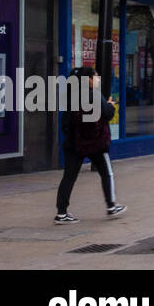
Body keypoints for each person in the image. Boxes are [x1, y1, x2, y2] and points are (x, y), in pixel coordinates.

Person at [55, 66, 126, 223]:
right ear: (88, 79)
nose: (98, 79)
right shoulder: (94, 95)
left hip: (74, 144)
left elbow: (65, 123)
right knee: (107, 173)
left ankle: (61, 213)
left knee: (69, 177)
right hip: (96, 144)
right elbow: (108, 114)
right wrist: (110, 105)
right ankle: (111, 206)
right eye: (95, 77)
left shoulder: (71, 96)